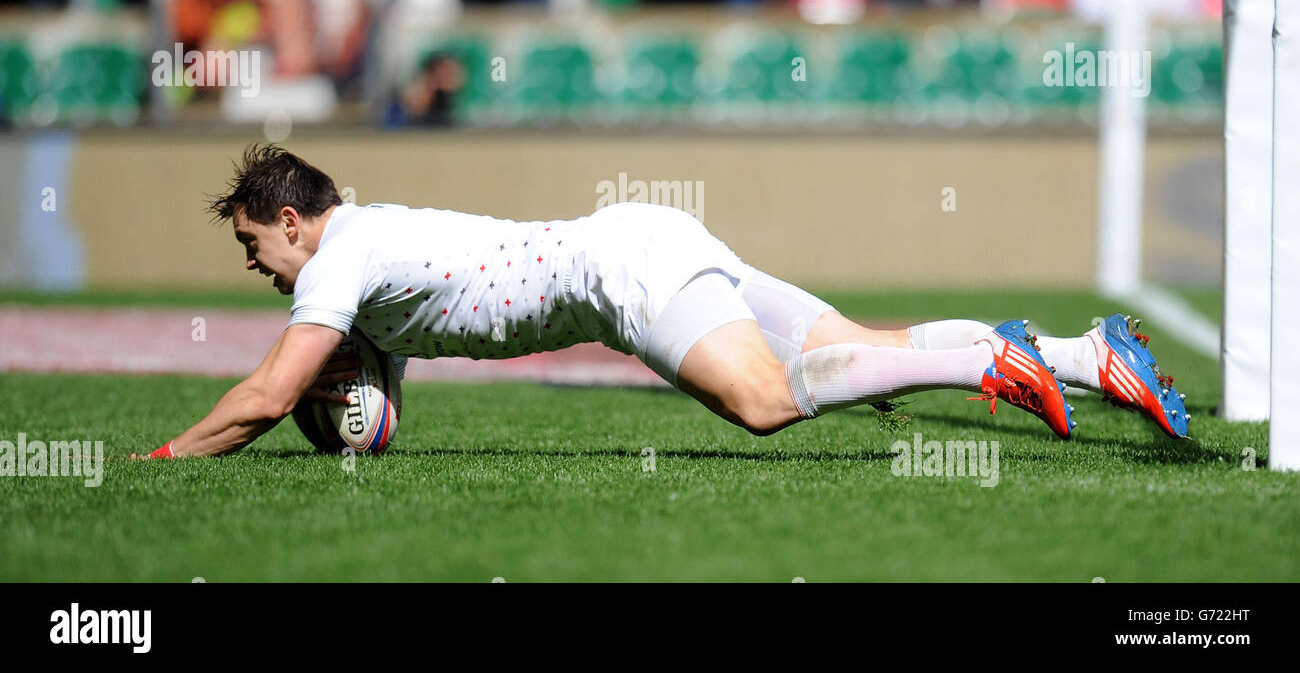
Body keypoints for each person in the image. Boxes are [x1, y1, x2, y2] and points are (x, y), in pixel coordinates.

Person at [133, 144, 1188, 459]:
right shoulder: (365, 245)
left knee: (768, 402)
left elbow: (270, 397)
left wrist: (166, 460)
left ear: (284, 217)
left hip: (620, 273)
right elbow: (372, 417)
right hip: (641, 238)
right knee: (860, 354)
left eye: (249, 244)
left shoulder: (334, 264)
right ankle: (1090, 356)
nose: (252, 265)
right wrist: (356, 418)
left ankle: (987, 362)